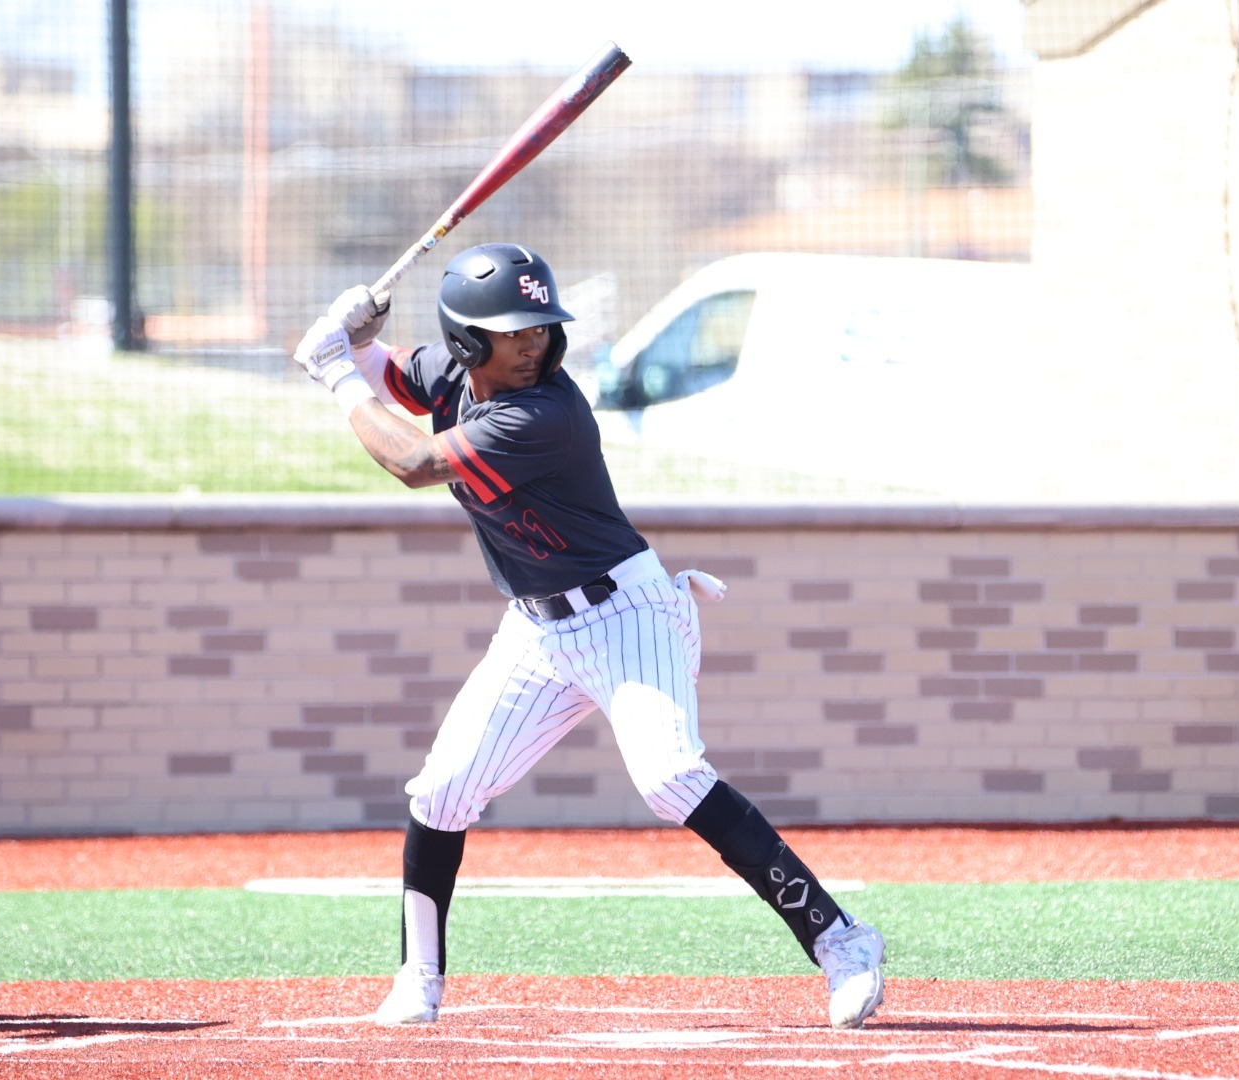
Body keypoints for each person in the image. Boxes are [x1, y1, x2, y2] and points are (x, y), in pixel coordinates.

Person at [291, 243, 886, 1030]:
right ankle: (418, 977)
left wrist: (333, 370)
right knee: (441, 791)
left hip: (627, 614)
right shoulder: (453, 375)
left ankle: (841, 940)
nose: (533, 340)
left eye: (539, 324)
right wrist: (355, 339)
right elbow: (389, 376)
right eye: (512, 329)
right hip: (536, 629)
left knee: (670, 777)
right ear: (470, 340)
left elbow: (409, 461)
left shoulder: (545, 414)